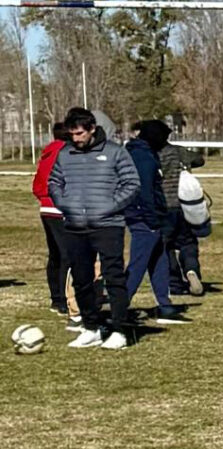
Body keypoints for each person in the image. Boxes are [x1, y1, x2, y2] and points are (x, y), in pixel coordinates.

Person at [47, 107, 138, 351]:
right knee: (82, 280)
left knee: (113, 277)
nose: (75, 139)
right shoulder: (65, 154)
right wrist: (64, 203)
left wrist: (110, 206)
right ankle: (91, 327)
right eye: (72, 135)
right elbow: (54, 182)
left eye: (79, 134)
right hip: (75, 226)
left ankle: (119, 330)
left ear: (92, 130)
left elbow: (132, 183)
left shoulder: (115, 152)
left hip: (108, 226)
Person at [123, 123, 188, 327]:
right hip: (145, 217)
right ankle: (120, 306)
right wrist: (151, 218)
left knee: (159, 260)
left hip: (154, 218)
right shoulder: (143, 158)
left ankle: (165, 304)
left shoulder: (144, 153)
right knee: (138, 264)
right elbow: (144, 192)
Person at [145, 120, 208, 295]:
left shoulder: (151, 155)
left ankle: (174, 283)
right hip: (186, 205)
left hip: (164, 207)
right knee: (188, 242)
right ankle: (191, 269)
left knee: (166, 246)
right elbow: (200, 160)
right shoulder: (179, 151)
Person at [32, 121, 71, 319]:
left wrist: (44, 198)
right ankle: (65, 300)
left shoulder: (47, 153)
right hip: (59, 209)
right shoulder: (66, 153)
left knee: (55, 255)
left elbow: (37, 184)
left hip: (46, 209)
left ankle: (56, 298)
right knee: (66, 255)